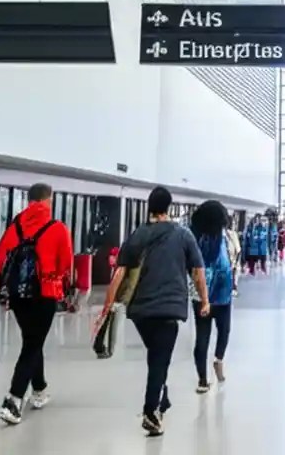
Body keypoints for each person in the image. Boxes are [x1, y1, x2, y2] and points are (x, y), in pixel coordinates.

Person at [102, 187, 208, 437]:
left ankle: (162, 398)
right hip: (169, 309)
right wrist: (205, 300)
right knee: (159, 360)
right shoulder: (183, 235)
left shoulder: (137, 235)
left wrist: (107, 306)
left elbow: (119, 273)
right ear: (168, 207)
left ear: (150, 207)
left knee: (156, 355)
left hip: (140, 311)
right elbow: (198, 272)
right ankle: (151, 412)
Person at [0, 183, 74, 426]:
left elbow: (0, 258)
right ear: (48, 200)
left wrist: (4, 288)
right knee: (32, 344)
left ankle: (39, 389)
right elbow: (65, 263)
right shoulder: (57, 228)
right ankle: (13, 399)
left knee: (32, 339)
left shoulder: (14, 227)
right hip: (45, 293)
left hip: (17, 295)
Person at [189, 200, 235, 394]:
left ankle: (202, 380)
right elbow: (231, 261)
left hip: (200, 293)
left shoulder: (193, 237)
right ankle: (218, 359)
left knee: (202, 335)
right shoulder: (224, 237)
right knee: (224, 330)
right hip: (222, 293)